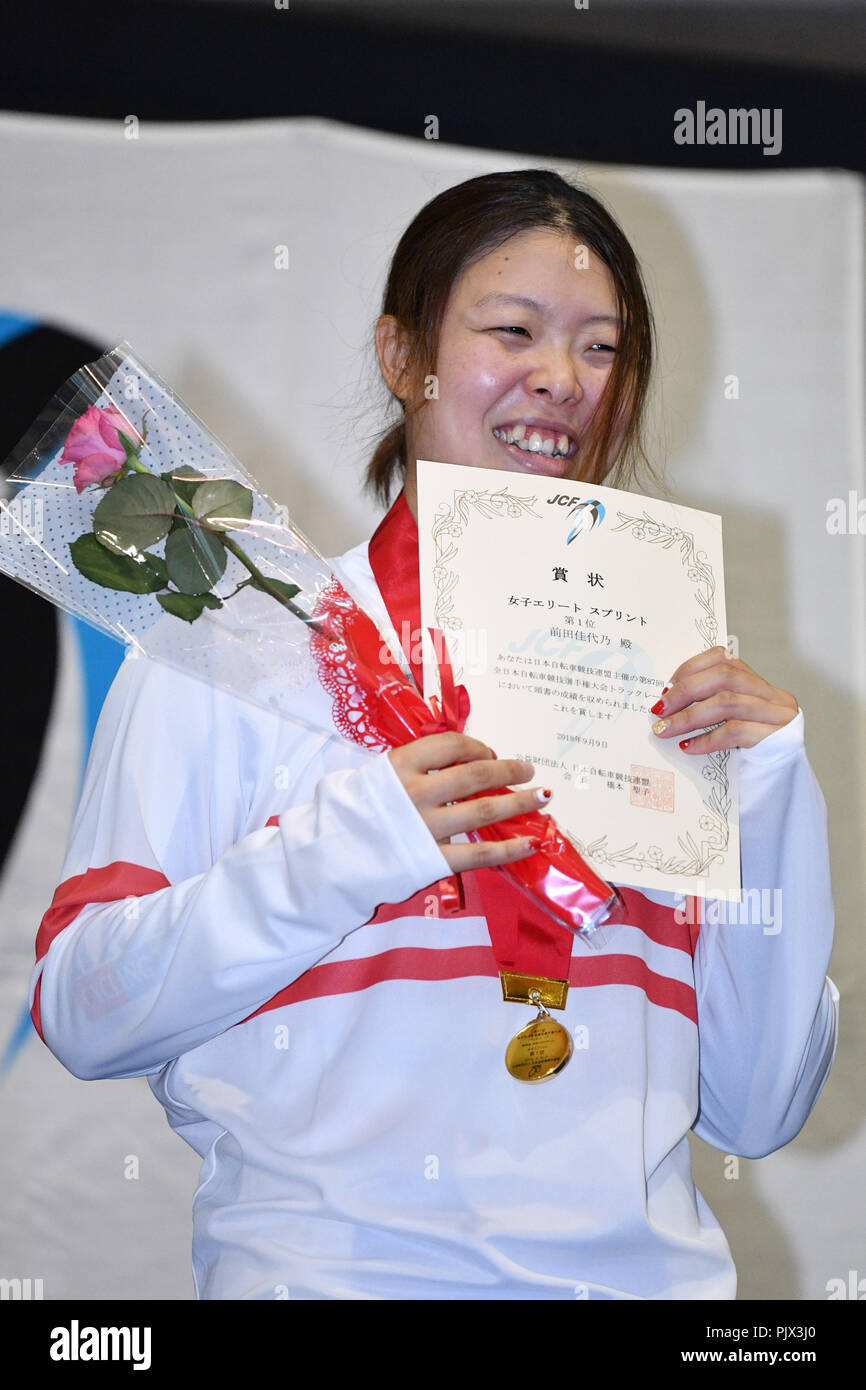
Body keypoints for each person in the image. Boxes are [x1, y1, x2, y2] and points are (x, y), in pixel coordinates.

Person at [30, 169, 838, 1300]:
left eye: (602, 350)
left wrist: (769, 794)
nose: (560, 379)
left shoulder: (672, 692)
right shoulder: (242, 648)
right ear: (401, 355)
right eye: (513, 330)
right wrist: (355, 842)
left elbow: (756, 1109)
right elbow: (80, 1007)